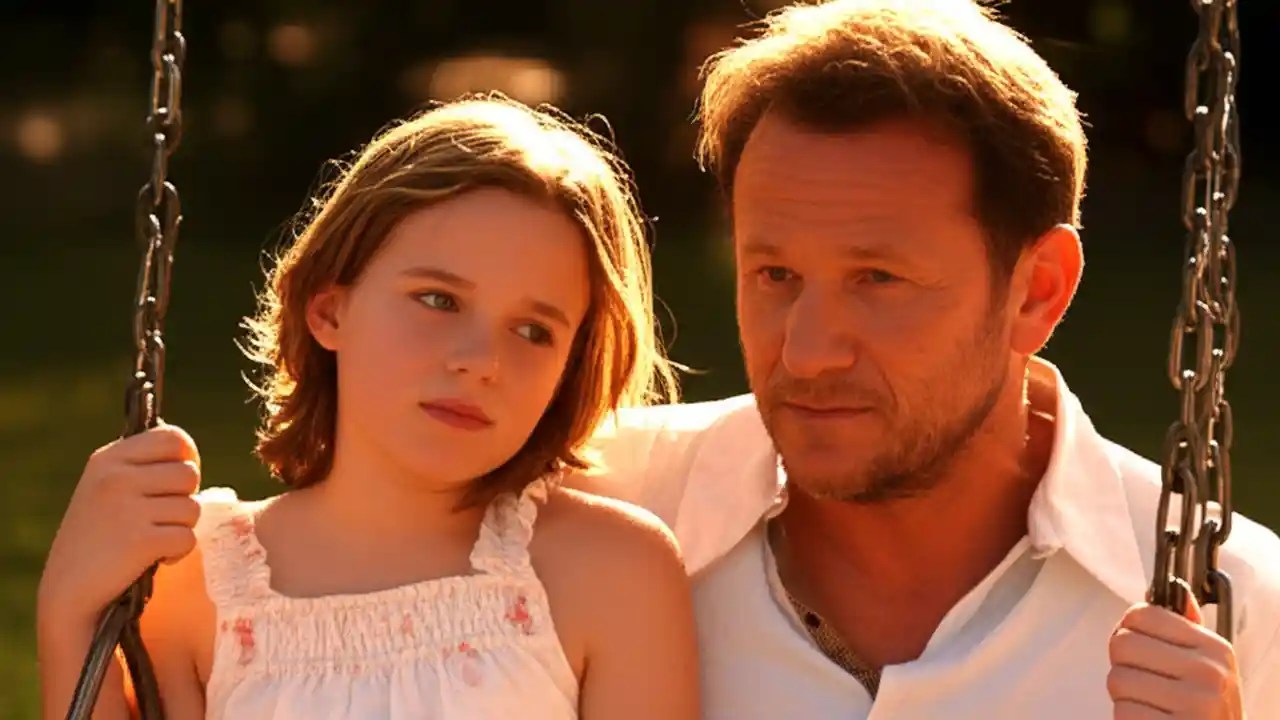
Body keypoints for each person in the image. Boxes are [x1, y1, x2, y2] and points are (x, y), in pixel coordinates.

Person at [570, 1, 1280, 718]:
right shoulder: (583, 513)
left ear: (1038, 291)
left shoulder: (1240, 609)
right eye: (775, 276)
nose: (809, 354)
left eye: (878, 280)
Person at [36, 96, 700, 719]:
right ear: (329, 309)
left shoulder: (608, 573)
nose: (481, 360)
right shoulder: (201, 588)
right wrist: (68, 612)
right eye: (439, 299)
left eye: (534, 331)